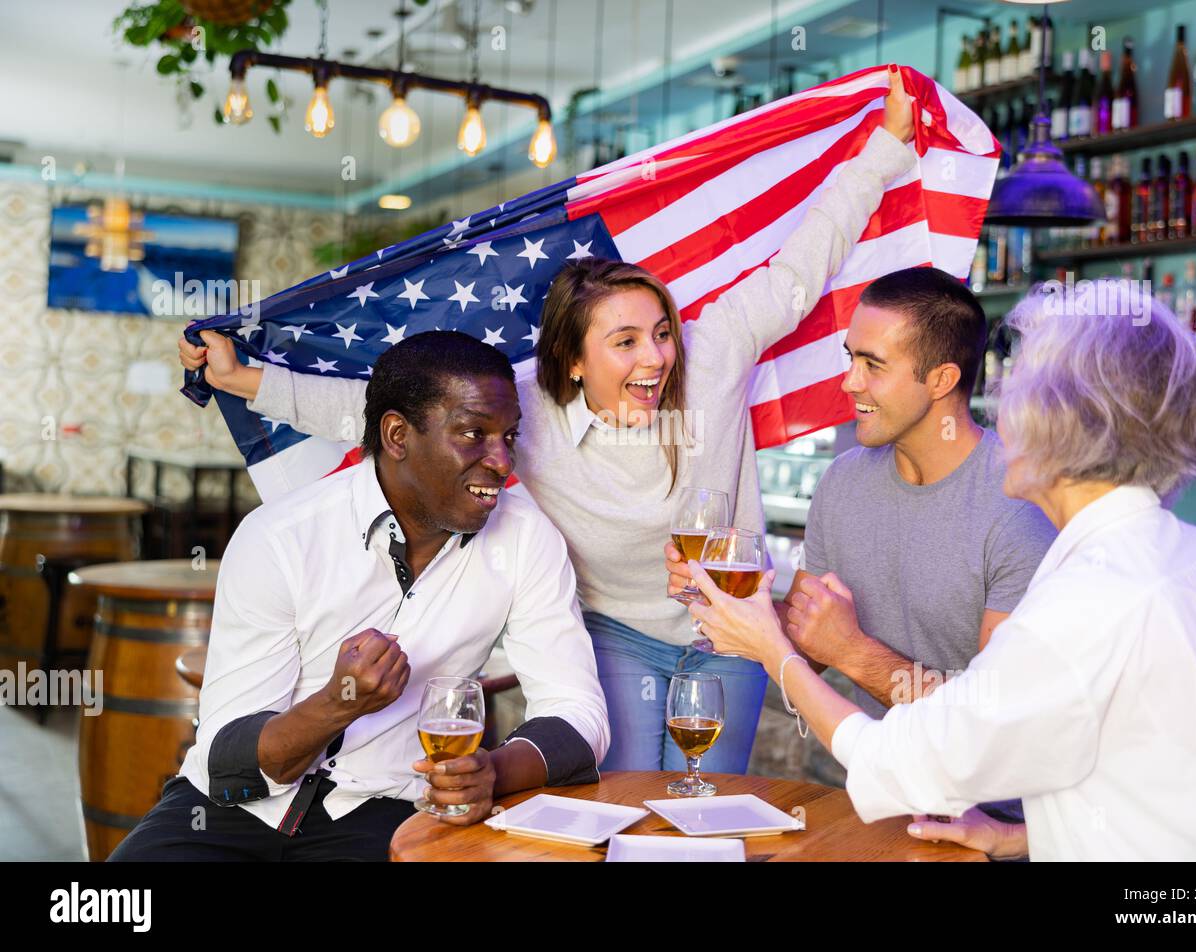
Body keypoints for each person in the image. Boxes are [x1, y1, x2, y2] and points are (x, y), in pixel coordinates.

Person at [178, 68, 919, 774]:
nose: (656, 357)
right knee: (629, 802)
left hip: (733, 630)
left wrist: (884, 147)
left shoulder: (715, 350)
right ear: (573, 362)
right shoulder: (524, 407)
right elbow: (371, 407)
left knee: (706, 807)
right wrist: (244, 378)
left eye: (661, 332)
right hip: (616, 634)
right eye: (625, 342)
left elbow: (799, 271)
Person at [684, 281, 1196, 860]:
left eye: (1017, 392)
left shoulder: (1085, 606)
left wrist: (773, 648)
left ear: (1060, 424)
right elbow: (1148, 779)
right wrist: (1012, 838)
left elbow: (901, 762)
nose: (1000, 410)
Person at [112, 332, 609, 861]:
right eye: (473, 434)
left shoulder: (526, 540)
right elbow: (228, 758)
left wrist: (493, 770)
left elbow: (579, 713)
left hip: (388, 810)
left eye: (510, 436)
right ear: (397, 435)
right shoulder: (280, 536)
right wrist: (337, 703)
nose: (503, 462)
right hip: (228, 809)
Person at [665, 265, 1057, 824]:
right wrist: (720, 601)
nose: (850, 382)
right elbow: (805, 646)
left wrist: (852, 650)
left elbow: (991, 721)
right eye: (851, 358)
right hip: (865, 791)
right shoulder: (843, 480)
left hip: (987, 820)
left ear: (942, 380)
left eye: (873, 365)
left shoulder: (1020, 502)